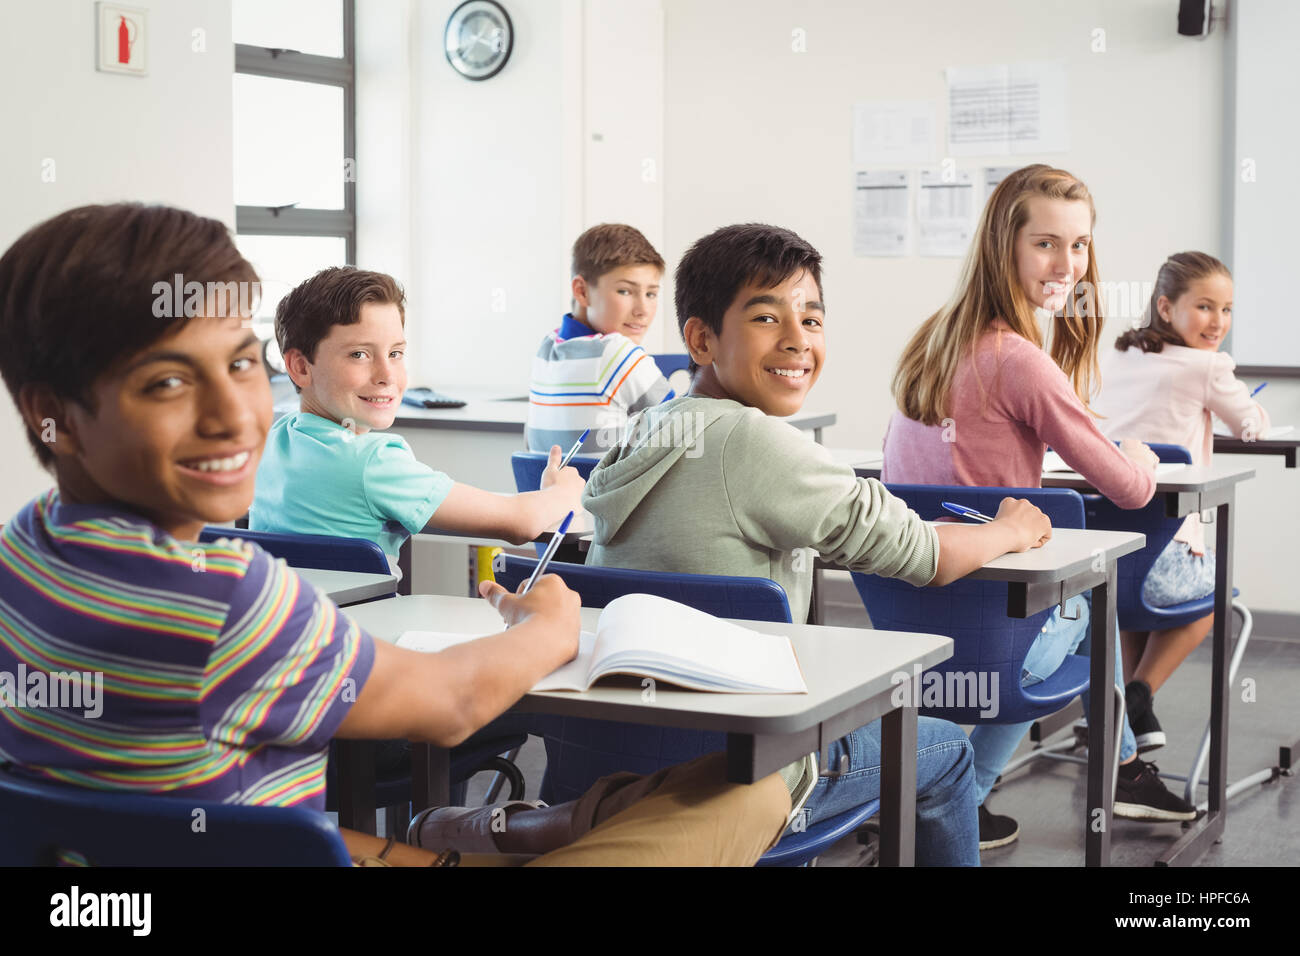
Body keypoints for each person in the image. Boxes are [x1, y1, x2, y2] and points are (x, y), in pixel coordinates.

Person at [0, 202, 799, 867]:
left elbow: (191, 823)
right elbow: (451, 705)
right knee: (751, 786)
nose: (231, 413)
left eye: (241, 364)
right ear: (53, 414)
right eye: (169, 381)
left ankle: (495, 832)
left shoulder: (23, 552)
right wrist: (553, 625)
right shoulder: (227, 600)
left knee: (665, 795)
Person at [582, 222, 1058, 866]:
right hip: (746, 772)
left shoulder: (649, 427)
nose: (796, 341)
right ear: (700, 339)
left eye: (811, 319)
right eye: (765, 317)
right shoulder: (758, 443)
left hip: (616, 762)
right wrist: (1011, 529)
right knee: (946, 750)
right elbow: (929, 556)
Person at [883, 164, 1198, 849]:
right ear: (1006, 246)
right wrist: (1140, 456)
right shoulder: (1018, 359)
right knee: (1092, 605)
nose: (1068, 264)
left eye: (1080, 245)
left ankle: (954, 792)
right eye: (1047, 244)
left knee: (1074, 598)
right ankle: (1087, 780)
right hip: (990, 642)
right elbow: (1130, 489)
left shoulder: (933, 338)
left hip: (904, 633)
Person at [251, 266, 583, 568]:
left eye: (396, 353)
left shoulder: (271, 441)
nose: (386, 375)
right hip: (361, 628)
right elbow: (519, 523)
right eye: (359, 354)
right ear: (299, 366)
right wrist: (562, 493)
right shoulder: (373, 462)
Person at [1092, 251, 1270, 751]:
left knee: (1131, 601)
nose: (1219, 322)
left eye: (1227, 309)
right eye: (1206, 307)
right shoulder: (1209, 366)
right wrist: (1253, 408)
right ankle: (1139, 693)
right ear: (1167, 309)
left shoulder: (1122, 354)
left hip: (1104, 560)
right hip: (1159, 559)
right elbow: (1249, 424)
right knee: (1211, 600)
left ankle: (1122, 711)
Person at [525, 223, 674, 453]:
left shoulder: (545, 349)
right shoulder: (618, 353)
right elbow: (687, 433)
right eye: (625, 291)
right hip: (602, 489)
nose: (643, 309)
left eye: (651, 294)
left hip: (548, 489)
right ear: (582, 291)